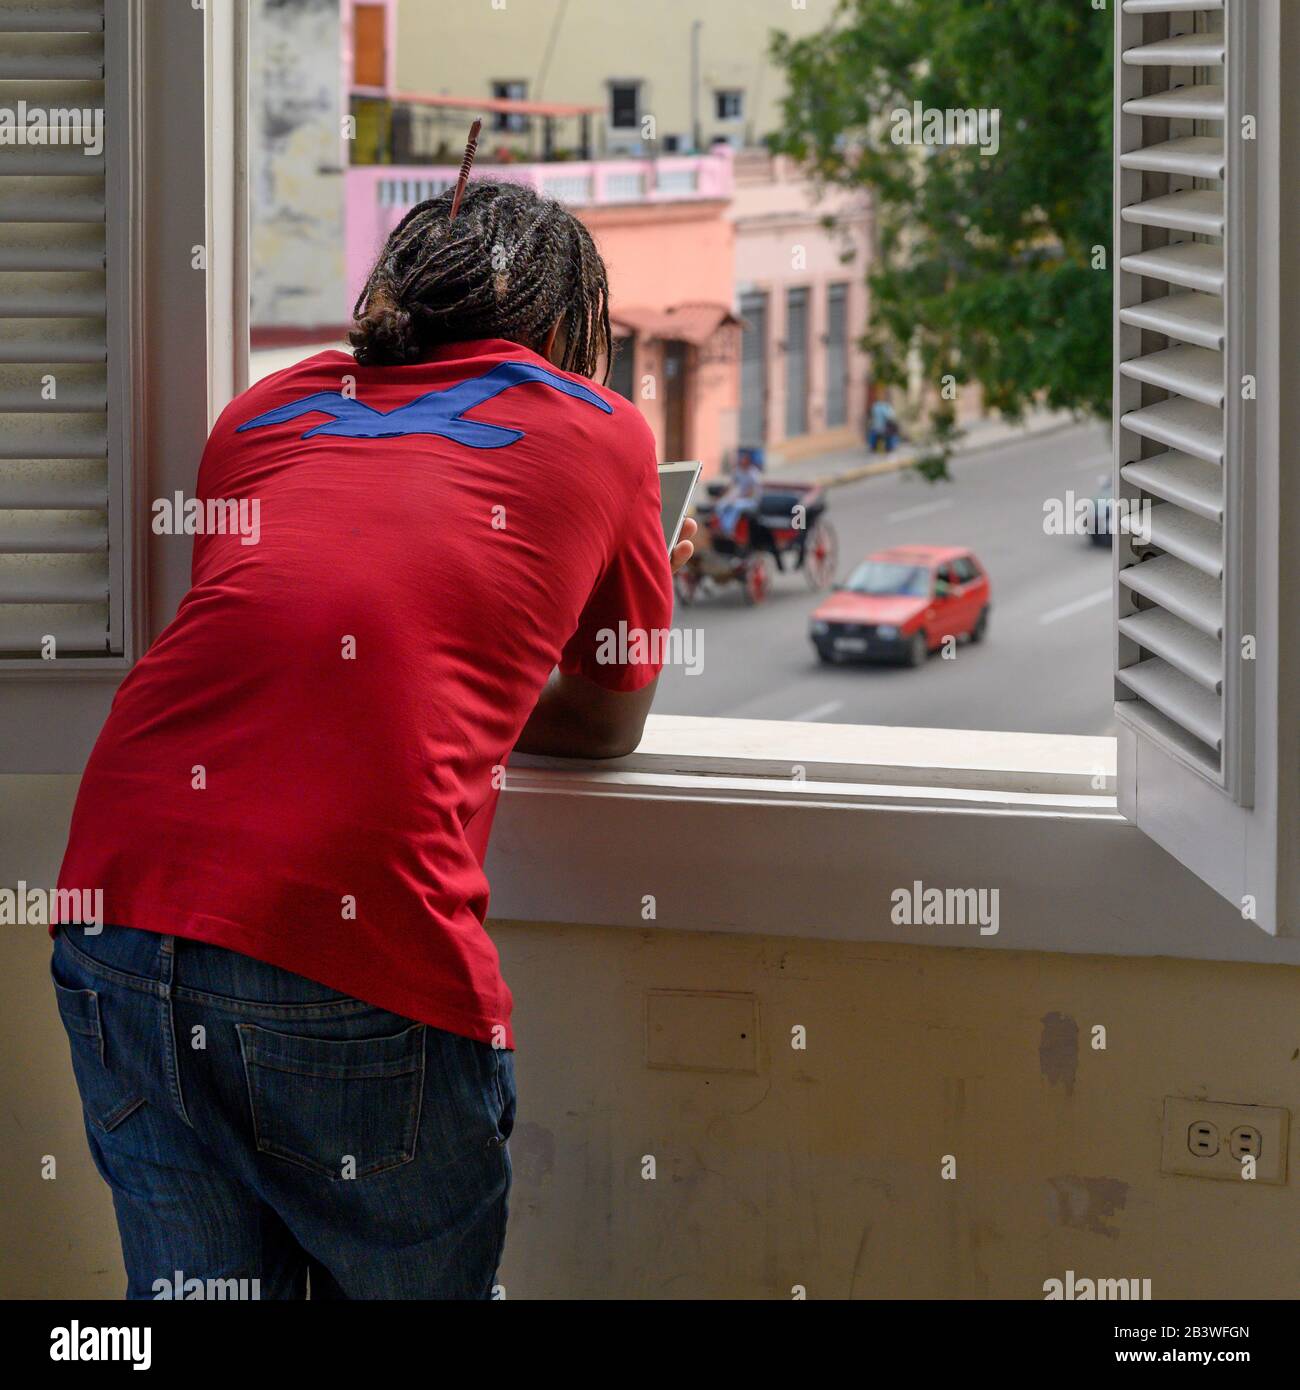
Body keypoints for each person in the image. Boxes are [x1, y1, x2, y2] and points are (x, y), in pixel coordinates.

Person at [50, 180, 695, 1300]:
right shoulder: (604, 431)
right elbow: (608, 716)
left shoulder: (264, 407)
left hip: (115, 895)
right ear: (562, 324)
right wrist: (478, 682)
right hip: (339, 932)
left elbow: (270, 648)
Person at [715, 447, 763, 538]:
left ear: (748, 461)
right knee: (721, 505)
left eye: (744, 459)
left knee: (735, 505)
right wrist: (723, 496)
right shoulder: (738, 471)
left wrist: (737, 498)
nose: (742, 461)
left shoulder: (753, 473)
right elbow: (731, 485)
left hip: (751, 501)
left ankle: (728, 530)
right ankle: (721, 528)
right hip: (739, 498)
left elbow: (752, 492)